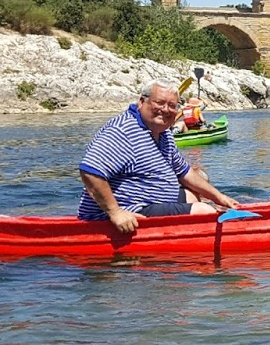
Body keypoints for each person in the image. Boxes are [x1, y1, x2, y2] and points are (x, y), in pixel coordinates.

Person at [77, 80, 240, 233]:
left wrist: (219, 197)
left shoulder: (163, 132)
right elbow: (90, 172)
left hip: (151, 200)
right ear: (142, 102)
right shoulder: (122, 132)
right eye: (160, 103)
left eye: (172, 106)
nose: (166, 109)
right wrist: (115, 212)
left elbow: (184, 172)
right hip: (129, 209)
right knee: (204, 211)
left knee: (197, 189)